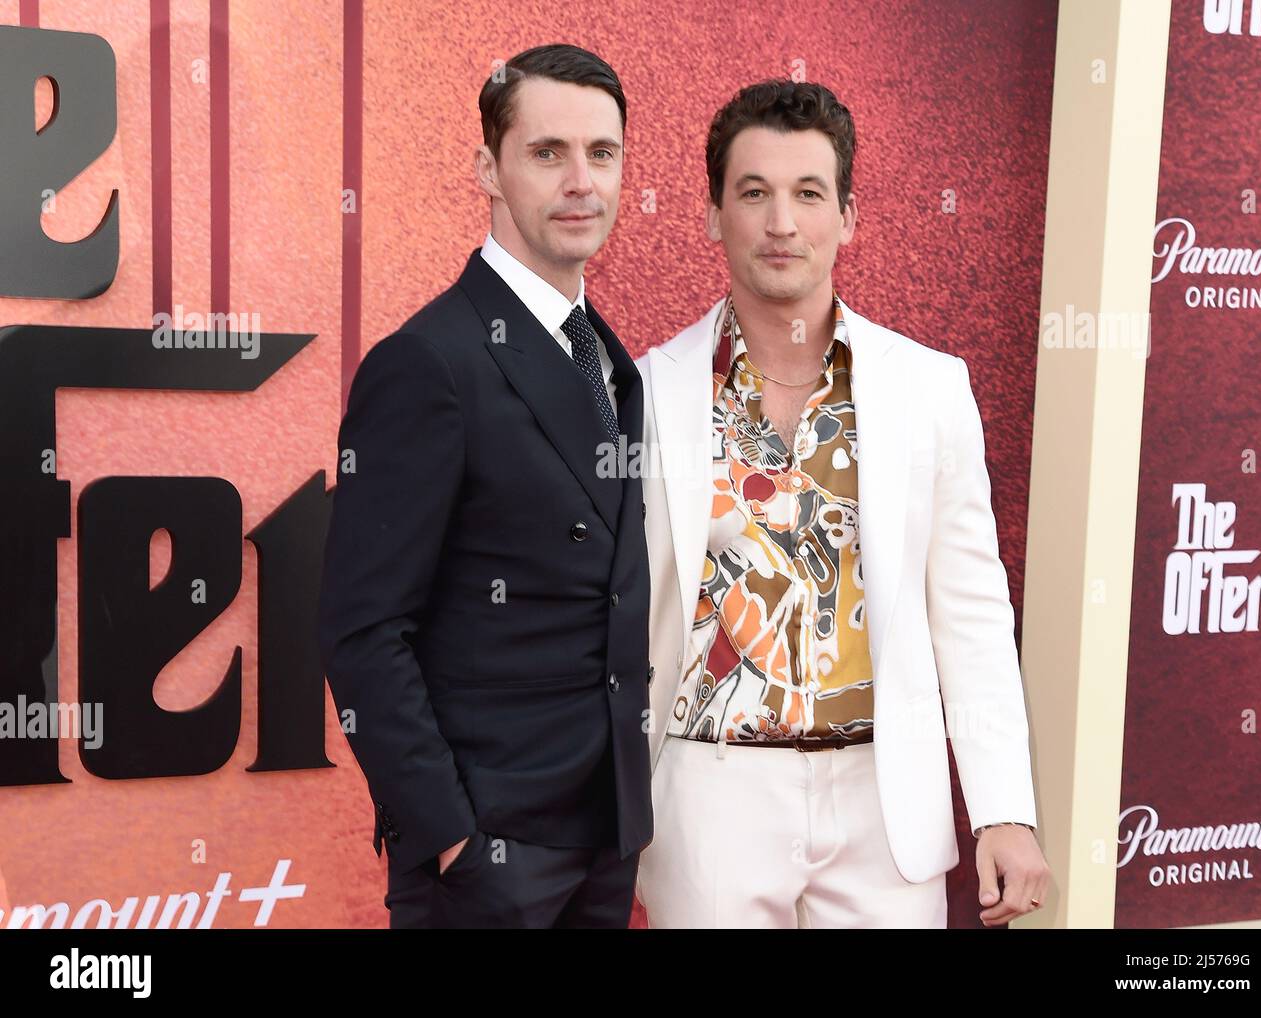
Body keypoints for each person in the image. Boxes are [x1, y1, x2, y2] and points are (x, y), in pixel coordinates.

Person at [634, 80, 1050, 928]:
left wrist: (1004, 807)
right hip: (709, 794)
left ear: (849, 217)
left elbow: (970, 611)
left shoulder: (930, 389)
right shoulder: (644, 392)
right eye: (753, 193)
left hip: (884, 798)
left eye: (808, 194)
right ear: (714, 215)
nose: (780, 222)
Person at [317, 43, 652, 928]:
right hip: (488, 857)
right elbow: (359, 630)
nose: (582, 181)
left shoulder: (611, 364)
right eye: (548, 153)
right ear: (487, 169)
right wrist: (449, 834)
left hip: (604, 838)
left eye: (603, 154)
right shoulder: (428, 363)